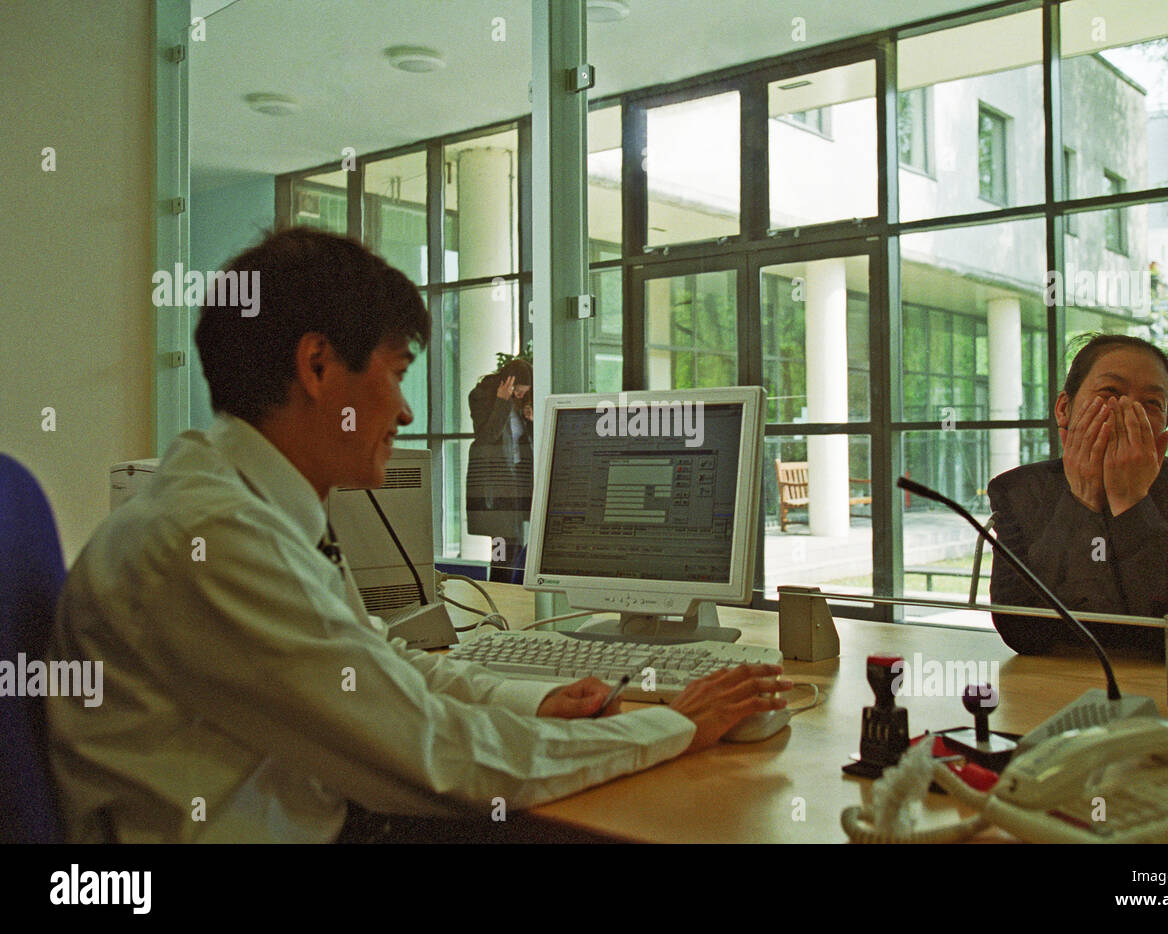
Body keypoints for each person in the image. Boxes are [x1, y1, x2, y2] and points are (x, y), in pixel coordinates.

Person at [45, 228, 789, 843]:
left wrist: (531, 699)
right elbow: (437, 753)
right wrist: (669, 725)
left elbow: (376, 669)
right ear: (316, 366)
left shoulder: (243, 508)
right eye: (397, 373)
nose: (404, 413)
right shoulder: (214, 541)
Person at [987, 333, 1168, 655]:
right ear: (1064, 408)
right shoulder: (1019, 492)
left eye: (1151, 403)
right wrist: (1080, 504)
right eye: (1110, 392)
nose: (1128, 410)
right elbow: (1021, 629)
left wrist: (1131, 504)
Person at [466, 358, 533, 582]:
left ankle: (511, 592)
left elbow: (525, 444)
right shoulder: (481, 396)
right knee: (502, 546)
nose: (522, 395)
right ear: (509, 383)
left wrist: (530, 420)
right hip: (496, 484)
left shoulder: (520, 404)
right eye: (519, 391)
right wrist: (501, 402)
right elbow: (487, 437)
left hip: (518, 482)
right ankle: (498, 589)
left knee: (516, 545)